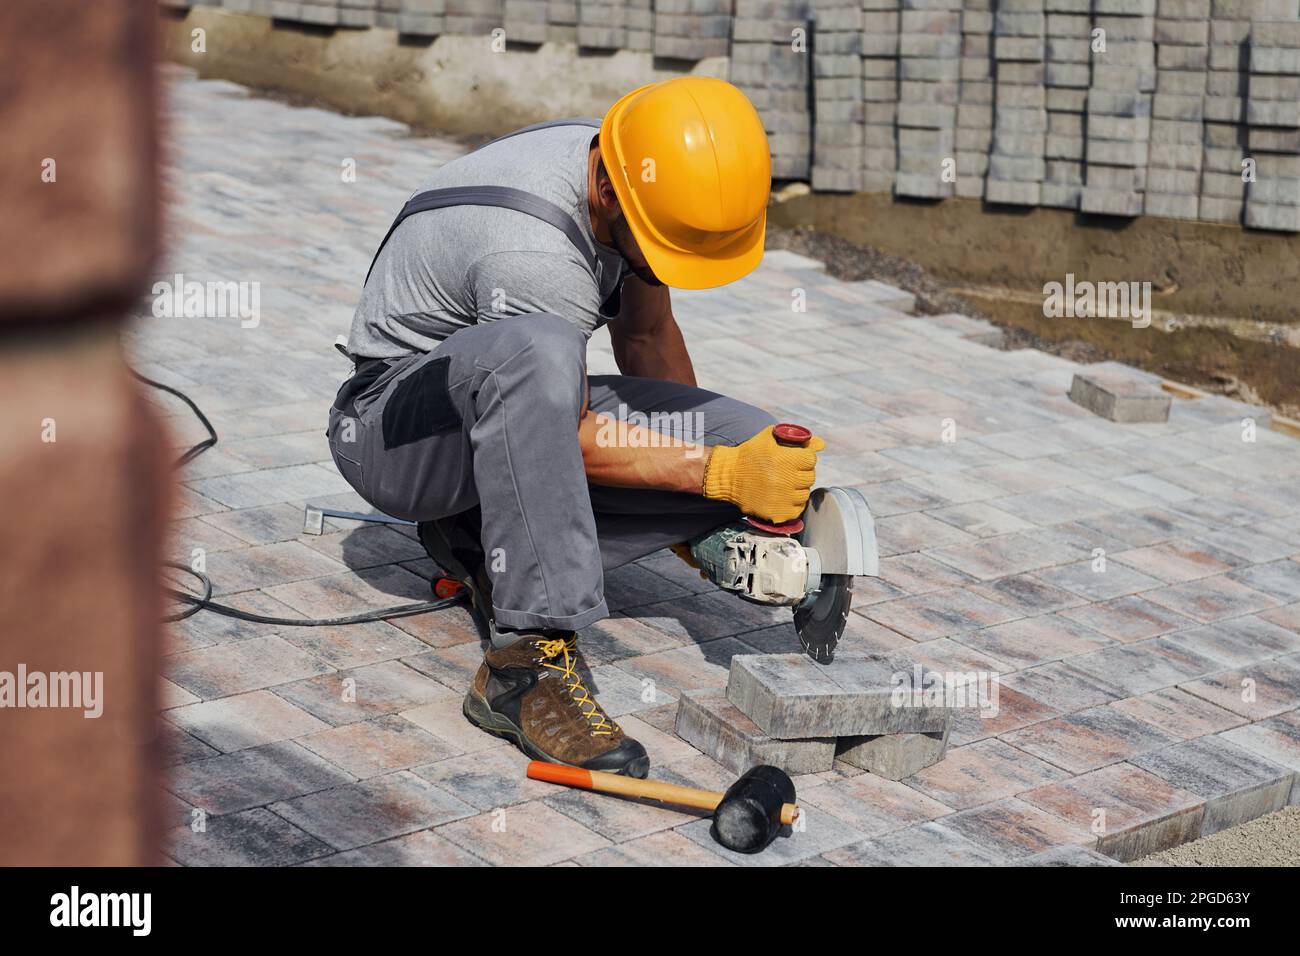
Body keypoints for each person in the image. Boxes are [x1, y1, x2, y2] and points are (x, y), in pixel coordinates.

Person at [328, 77, 824, 778]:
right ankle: (522, 665)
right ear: (613, 194)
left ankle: (473, 535)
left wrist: (711, 486)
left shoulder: (628, 169)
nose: (657, 266)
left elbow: (648, 335)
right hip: (395, 433)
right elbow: (568, 425)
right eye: (656, 249)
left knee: (744, 435)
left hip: (494, 404)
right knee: (541, 355)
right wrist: (718, 479)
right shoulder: (532, 254)